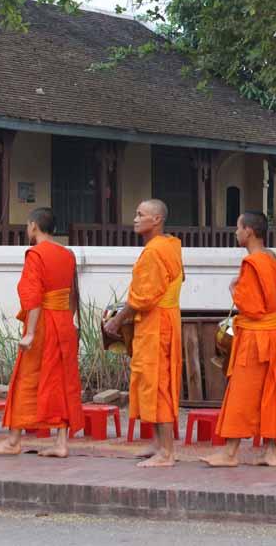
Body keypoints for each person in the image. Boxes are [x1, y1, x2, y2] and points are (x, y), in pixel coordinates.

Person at [202, 211, 276, 468]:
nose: (235, 232)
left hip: (256, 338)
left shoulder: (253, 262)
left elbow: (252, 307)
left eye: (238, 227)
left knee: (242, 393)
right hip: (274, 335)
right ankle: (271, 452)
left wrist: (235, 290)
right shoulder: (273, 258)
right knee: (272, 391)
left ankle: (230, 453)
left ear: (250, 231)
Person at [0, 207, 83, 458]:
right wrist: (68, 321)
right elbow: (73, 293)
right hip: (63, 321)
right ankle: (61, 443)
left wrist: (29, 332)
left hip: (42, 324)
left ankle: (13, 441)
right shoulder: (67, 254)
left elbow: (33, 297)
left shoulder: (35, 254)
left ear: (33, 226)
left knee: (26, 379)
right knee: (61, 381)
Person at [103, 200, 183, 468]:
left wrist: (117, 321)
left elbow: (142, 299)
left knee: (157, 381)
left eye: (141, 215)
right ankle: (159, 444)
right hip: (162, 319)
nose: (135, 219)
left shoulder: (155, 251)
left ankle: (167, 452)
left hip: (156, 321)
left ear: (157, 219)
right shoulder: (170, 245)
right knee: (151, 379)